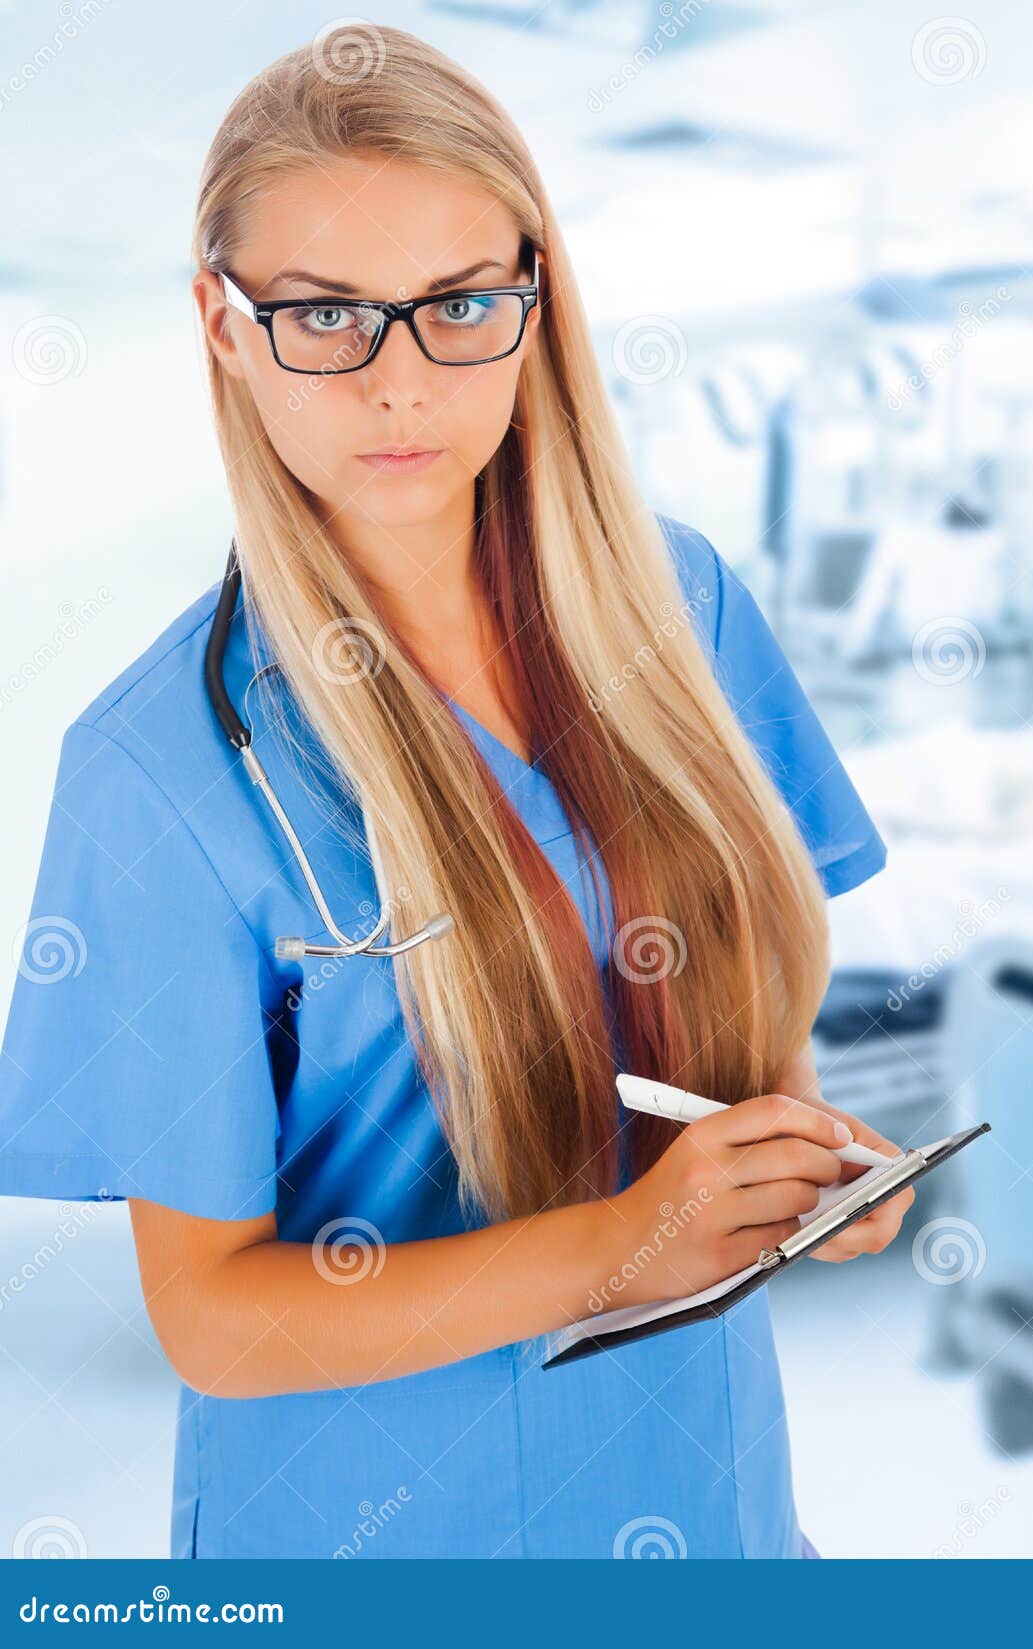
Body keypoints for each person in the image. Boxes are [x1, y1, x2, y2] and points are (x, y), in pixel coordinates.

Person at [0, 26, 906, 1559]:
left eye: (461, 305)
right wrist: (623, 1244)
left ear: (535, 301)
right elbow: (214, 1316)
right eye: (325, 317)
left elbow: (745, 1041)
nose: (401, 382)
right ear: (224, 326)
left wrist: (795, 1166)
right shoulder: (157, 769)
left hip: (703, 1487)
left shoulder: (683, 607)